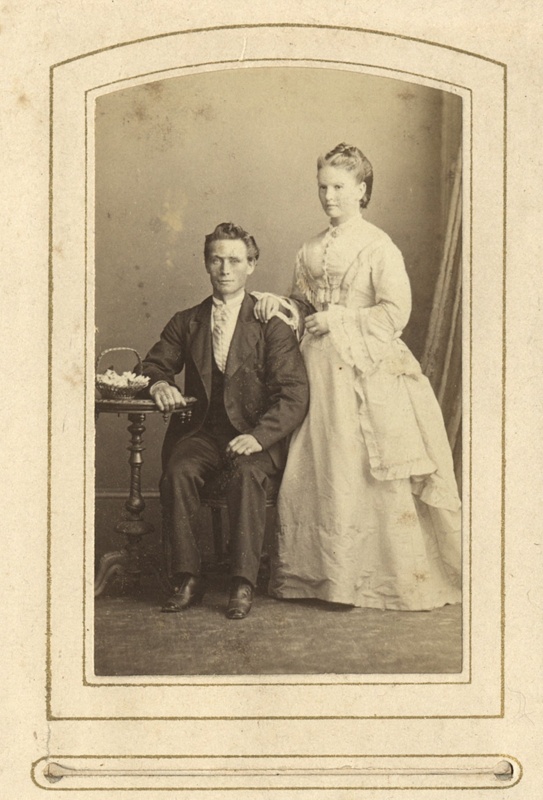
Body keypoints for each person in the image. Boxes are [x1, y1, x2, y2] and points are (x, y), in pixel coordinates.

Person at [254, 143, 462, 611]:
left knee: (361, 465)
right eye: (323, 187)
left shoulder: (378, 246)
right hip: (317, 368)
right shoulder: (308, 248)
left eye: (339, 187)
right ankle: (322, 578)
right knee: (320, 465)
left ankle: (366, 579)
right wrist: (280, 306)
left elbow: (395, 312)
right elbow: (303, 306)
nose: (329, 196)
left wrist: (340, 320)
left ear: (361, 189)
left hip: (366, 369)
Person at [142, 222, 309, 619]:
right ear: (206, 264)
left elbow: (294, 394)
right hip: (203, 433)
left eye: (235, 260)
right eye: (216, 260)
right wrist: (159, 385)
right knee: (178, 471)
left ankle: (242, 582)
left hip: (256, 438)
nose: (225, 269)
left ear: (251, 265)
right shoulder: (188, 320)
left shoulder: (271, 324)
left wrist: (259, 437)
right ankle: (187, 577)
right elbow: (151, 365)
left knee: (247, 475)